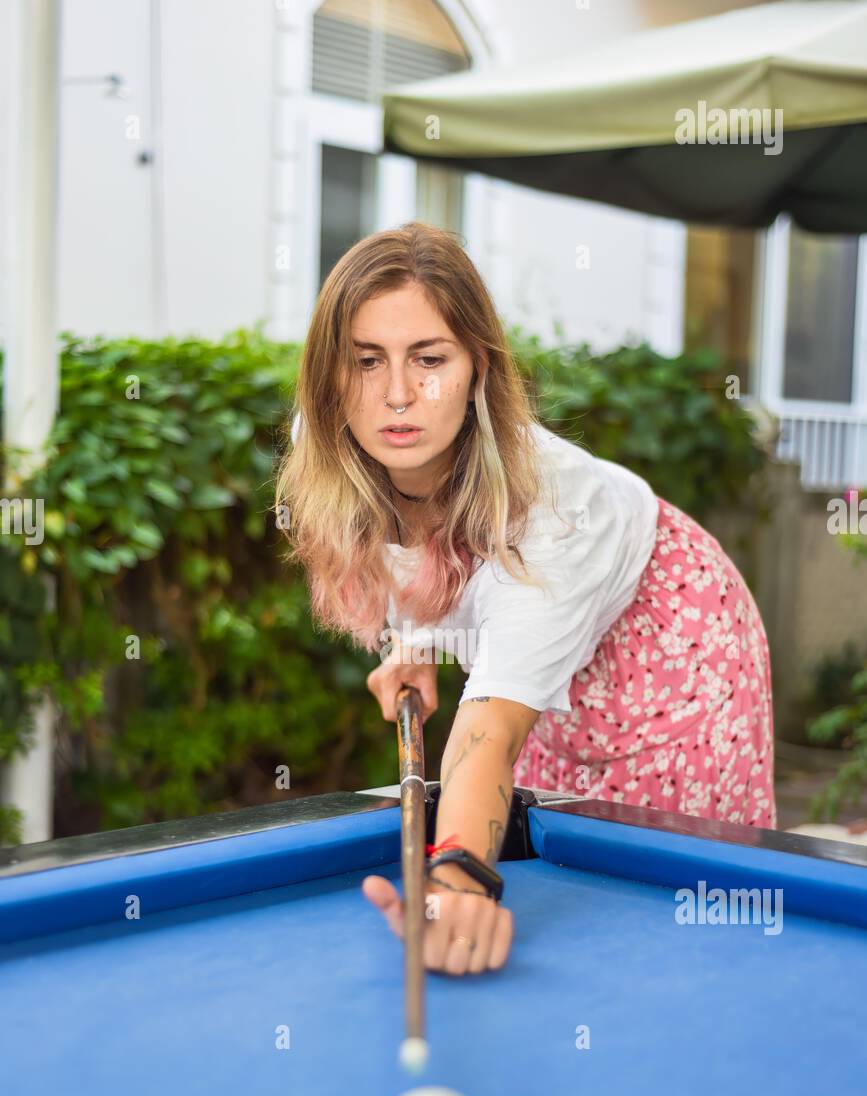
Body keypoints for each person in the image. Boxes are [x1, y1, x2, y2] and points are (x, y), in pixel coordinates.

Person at [274, 222, 776, 976]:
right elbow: (410, 552)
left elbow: (493, 731)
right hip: (559, 643)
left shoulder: (547, 518)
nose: (397, 394)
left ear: (478, 366)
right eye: (364, 360)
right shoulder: (336, 434)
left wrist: (454, 878)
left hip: (674, 646)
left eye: (429, 359)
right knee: (563, 858)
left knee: (673, 915)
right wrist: (421, 637)